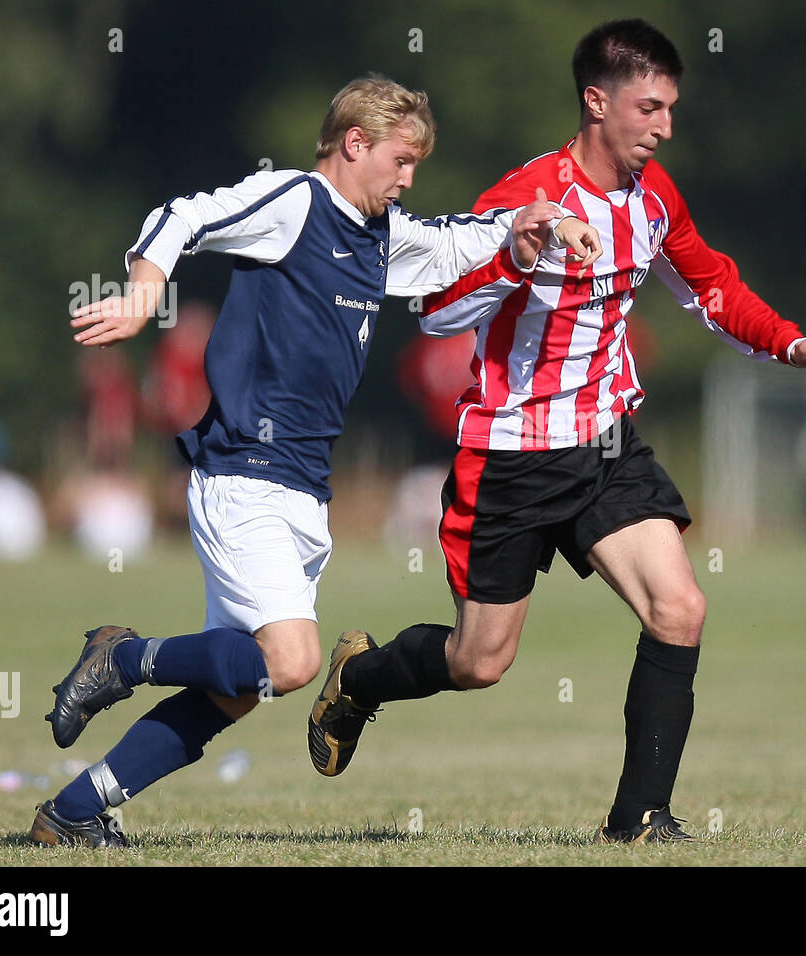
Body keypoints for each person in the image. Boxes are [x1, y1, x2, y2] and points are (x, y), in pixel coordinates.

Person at [307, 22, 806, 843]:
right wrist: (519, 256)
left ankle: (639, 819)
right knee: (480, 664)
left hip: (607, 442)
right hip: (510, 455)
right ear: (596, 101)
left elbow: (710, 286)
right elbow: (437, 314)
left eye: (672, 108)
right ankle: (359, 679)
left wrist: (789, 341)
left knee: (679, 607)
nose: (665, 126)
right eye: (651, 107)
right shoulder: (525, 196)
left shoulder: (654, 200)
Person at [29, 74, 601, 848]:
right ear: (354, 143)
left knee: (237, 685)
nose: (408, 179)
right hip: (242, 472)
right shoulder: (293, 202)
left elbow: (450, 242)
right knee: (292, 660)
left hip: (303, 490)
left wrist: (524, 228)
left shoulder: (379, 234)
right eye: (400, 161)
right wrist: (141, 291)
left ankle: (74, 810)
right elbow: (184, 215)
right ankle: (121, 659)